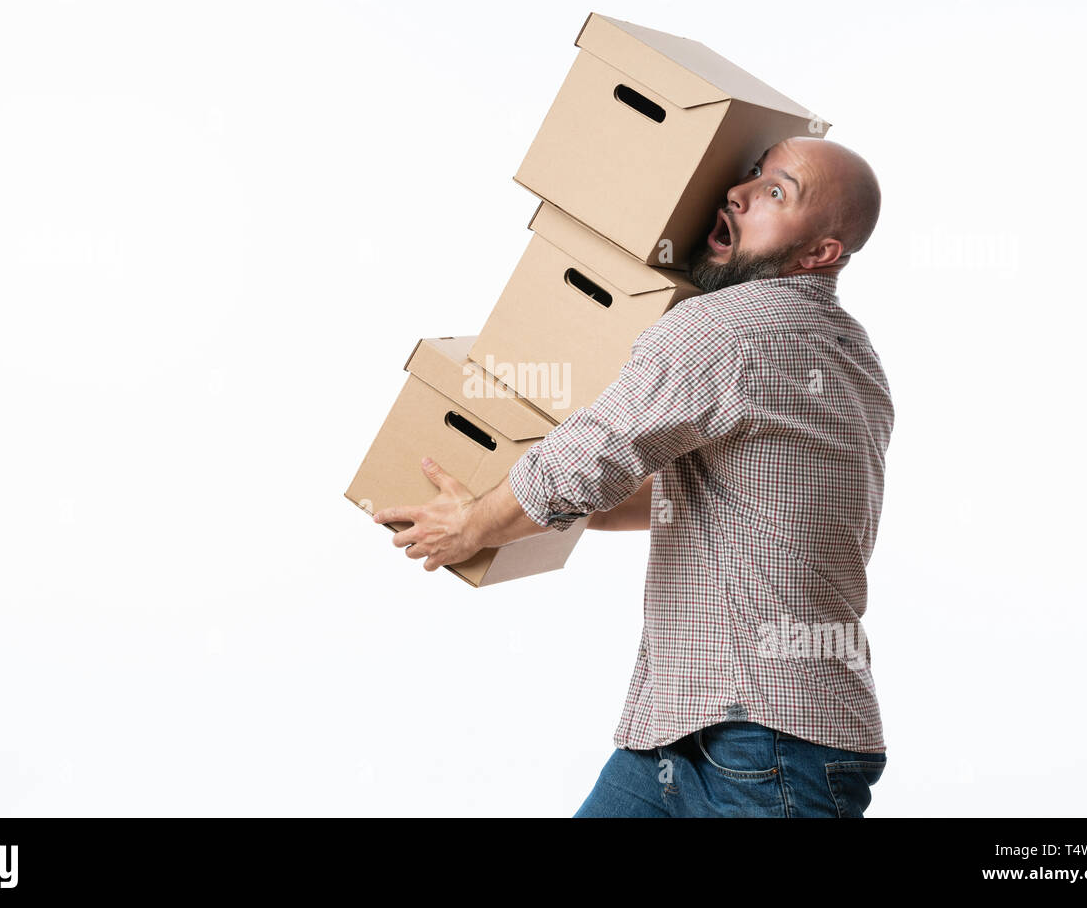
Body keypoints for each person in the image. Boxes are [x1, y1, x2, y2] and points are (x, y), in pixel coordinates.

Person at [373, 136, 893, 817]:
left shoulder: (723, 328)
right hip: (681, 729)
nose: (737, 192)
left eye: (775, 192)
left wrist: (475, 524)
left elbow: (587, 458)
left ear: (820, 252)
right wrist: (540, 503)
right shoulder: (854, 356)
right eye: (753, 173)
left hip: (763, 747)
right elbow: (720, 493)